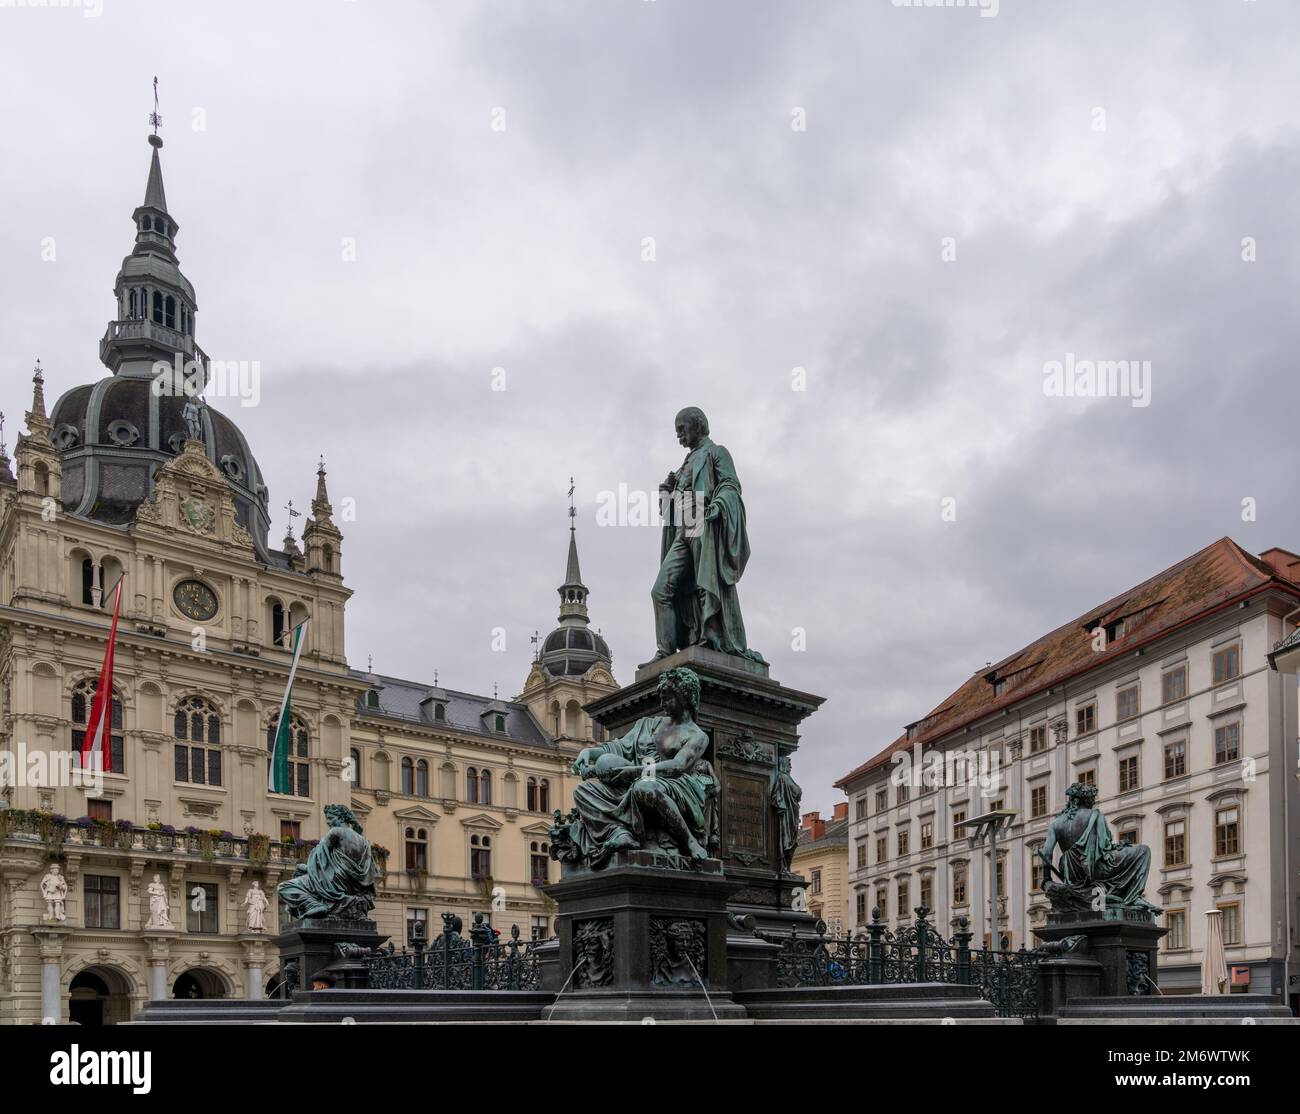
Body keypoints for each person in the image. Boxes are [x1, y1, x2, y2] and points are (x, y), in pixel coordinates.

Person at [561, 666, 716, 868]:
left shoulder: (697, 736)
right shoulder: (648, 724)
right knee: (583, 790)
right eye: (661, 697)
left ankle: (690, 841)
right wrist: (589, 752)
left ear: (684, 697)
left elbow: (677, 766)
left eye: (667, 697)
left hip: (676, 785)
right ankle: (620, 833)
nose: (662, 703)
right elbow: (620, 747)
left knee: (644, 787)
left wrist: (634, 771)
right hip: (635, 779)